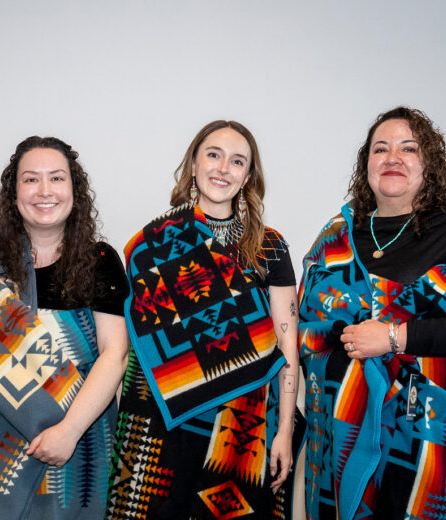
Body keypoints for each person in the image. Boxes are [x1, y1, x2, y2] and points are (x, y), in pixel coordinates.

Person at [298, 106, 446, 520]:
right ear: (366, 164)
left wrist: (392, 338)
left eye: (408, 148)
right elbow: (307, 325)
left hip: (431, 431)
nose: (392, 157)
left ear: (429, 163)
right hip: (341, 426)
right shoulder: (335, 235)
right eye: (380, 149)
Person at [0, 136, 129, 519]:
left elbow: (114, 355)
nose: (44, 190)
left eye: (57, 178)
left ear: (75, 190)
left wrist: (68, 431)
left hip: (78, 441)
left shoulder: (100, 261)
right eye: (31, 179)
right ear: (14, 194)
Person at [106, 121, 304, 519]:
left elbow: (286, 343)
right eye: (213, 155)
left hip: (240, 423)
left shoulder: (269, 246)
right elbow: (140, 343)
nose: (223, 168)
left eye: (237, 161)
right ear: (194, 164)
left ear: (248, 176)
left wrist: (284, 429)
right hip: (163, 418)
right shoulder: (151, 245)